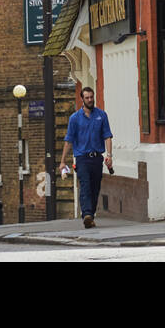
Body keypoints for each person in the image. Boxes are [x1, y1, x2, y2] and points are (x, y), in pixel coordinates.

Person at [60, 86, 113, 228]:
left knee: (95, 188)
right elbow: (69, 140)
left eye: (91, 97)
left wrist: (109, 155)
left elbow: (107, 136)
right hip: (82, 158)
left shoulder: (102, 115)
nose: (90, 100)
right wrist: (63, 161)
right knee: (85, 186)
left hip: (97, 158)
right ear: (82, 99)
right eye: (87, 97)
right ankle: (87, 214)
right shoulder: (74, 118)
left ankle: (91, 215)